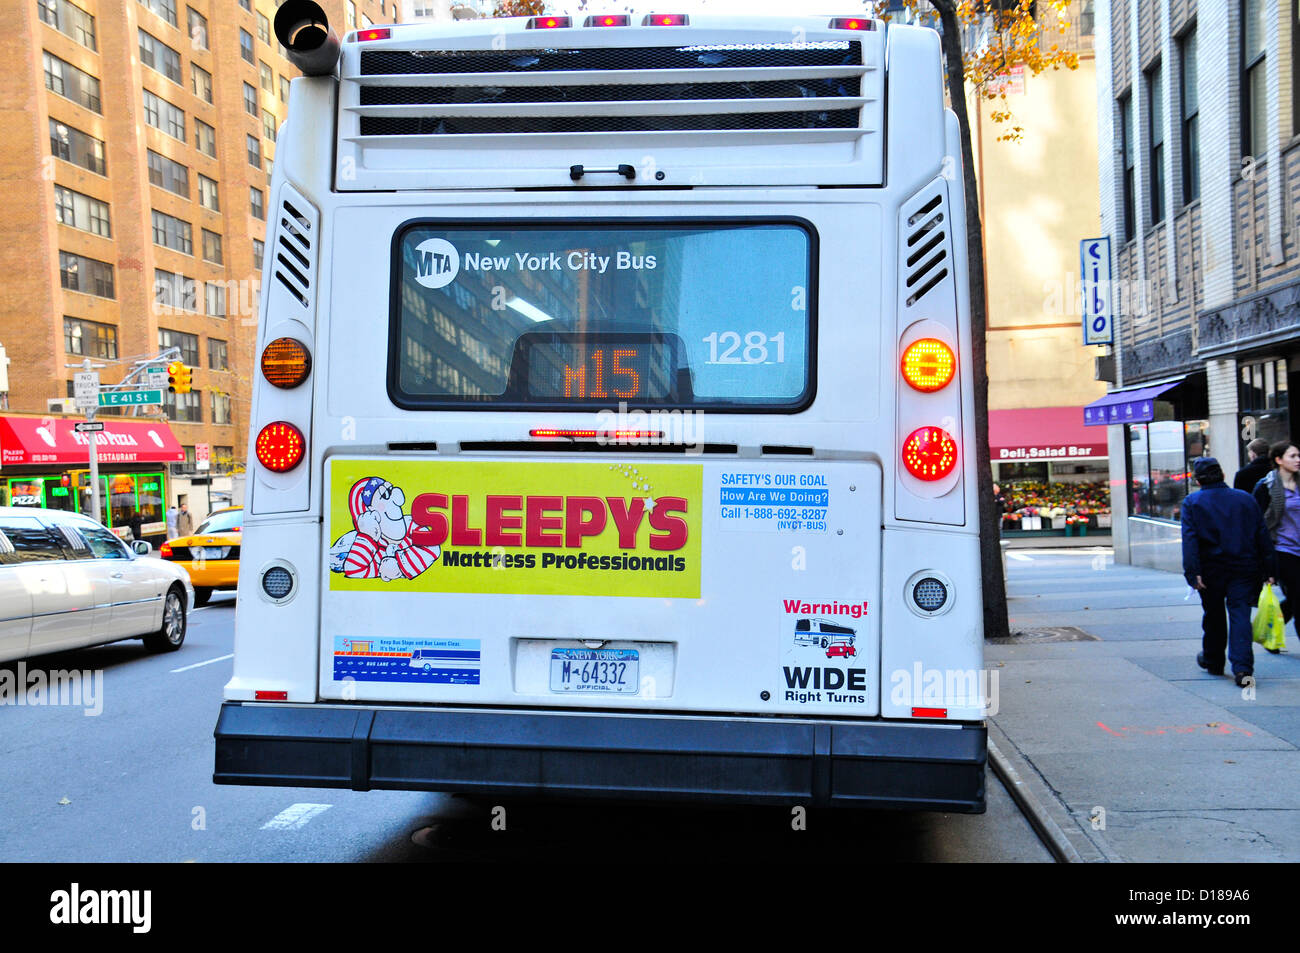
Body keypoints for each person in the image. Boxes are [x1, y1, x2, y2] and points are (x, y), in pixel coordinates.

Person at [1181, 457, 1273, 686]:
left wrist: (1193, 572)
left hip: (1210, 569)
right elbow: (1262, 535)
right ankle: (1243, 668)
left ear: (1197, 479)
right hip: (1244, 567)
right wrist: (1270, 569)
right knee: (1240, 614)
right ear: (1222, 475)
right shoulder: (1245, 499)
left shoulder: (1193, 502)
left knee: (1213, 615)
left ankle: (1213, 660)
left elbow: (1190, 540)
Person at [1253, 440, 1300, 649]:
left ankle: (1272, 632)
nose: (1298, 460)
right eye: (1293, 456)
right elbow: (1257, 524)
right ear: (1278, 460)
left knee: (1295, 600)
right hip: (1283, 550)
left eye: (1299, 456)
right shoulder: (1266, 486)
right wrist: (1264, 563)